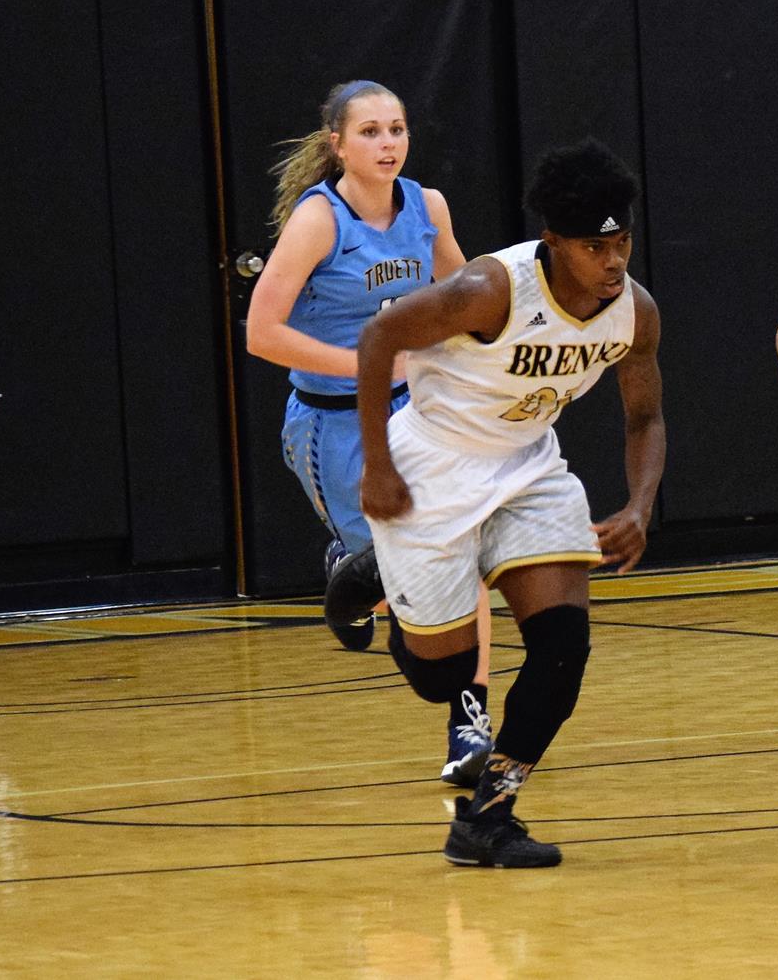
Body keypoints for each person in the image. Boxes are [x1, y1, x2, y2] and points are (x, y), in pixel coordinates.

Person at [356, 138, 665, 869]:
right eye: (596, 247)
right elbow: (378, 338)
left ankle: (487, 815)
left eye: (622, 241)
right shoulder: (490, 290)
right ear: (553, 243)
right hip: (430, 464)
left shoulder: (635, 314)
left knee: (564, 649)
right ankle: (376, 580)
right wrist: (375, 466)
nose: (615, 260)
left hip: (527, 465)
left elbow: (645, 417)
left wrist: (640, 505)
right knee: (442, 676)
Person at [244, 79, 497, 788]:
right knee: (401, 591)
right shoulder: (319, 222)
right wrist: (373, 360)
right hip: (333, 425)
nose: (388, 144)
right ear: (338, 144)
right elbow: (263, 334)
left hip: (414, 414)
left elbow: (472, 294)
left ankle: (471, 721)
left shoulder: (428, 206)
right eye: (371, 132)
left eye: (398, 129)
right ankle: (350, 574)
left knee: (460, 554)